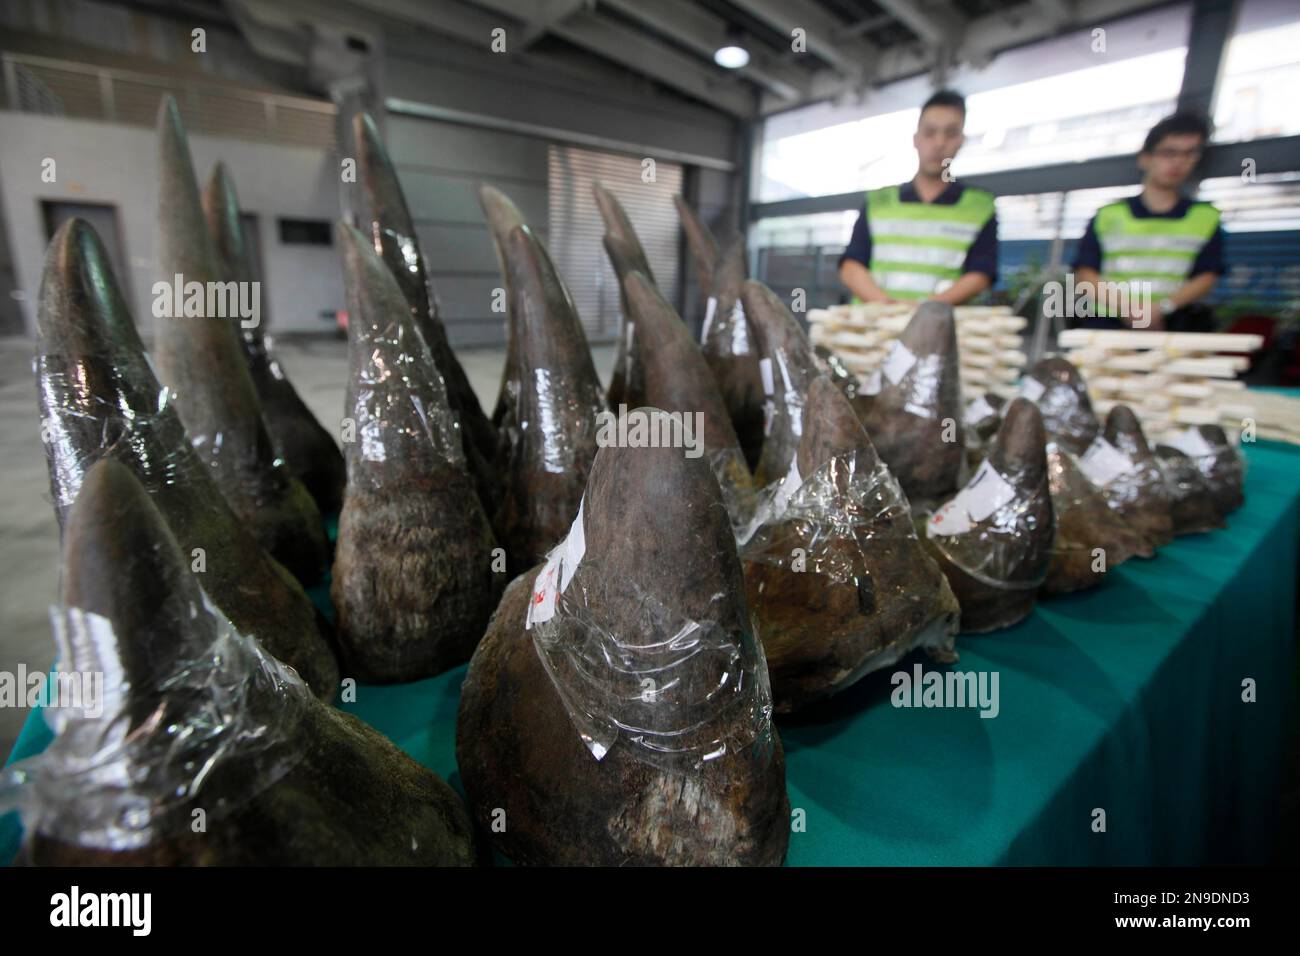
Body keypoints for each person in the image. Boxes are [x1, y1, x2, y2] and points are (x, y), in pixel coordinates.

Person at [838, 89, 998, 305]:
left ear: (961, 140)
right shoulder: (879, 202)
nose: (939, 143)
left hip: (938, 330)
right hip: (874, 328)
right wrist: (887, 307)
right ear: (916, 139)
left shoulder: (979, 207)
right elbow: (852, 263)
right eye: (930, 132)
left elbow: (981, 272)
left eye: (950, 133)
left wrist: (926, 311)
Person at [1072, 113, 1226, 331]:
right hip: (1108, 324)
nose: (1178, 162)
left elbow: (1207, 275)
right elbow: (1086, 273)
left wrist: (1161, 308)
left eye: (1190, 153)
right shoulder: (1109, 215)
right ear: (1145, 158)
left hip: (1173, 325)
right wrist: (1127, 308)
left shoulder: (1205, 217)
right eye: (1169, 152)